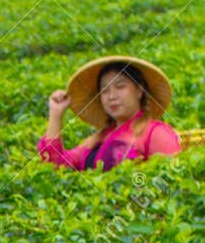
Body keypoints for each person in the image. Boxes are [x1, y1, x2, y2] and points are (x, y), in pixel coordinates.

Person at [38, 56, 181, 171]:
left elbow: (172, 177)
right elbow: (56, 167)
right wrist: (56, 113)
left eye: (120, 86)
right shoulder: (96, 139)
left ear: (139, 90)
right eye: (105, 90)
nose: (111, 96)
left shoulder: (156, 133)